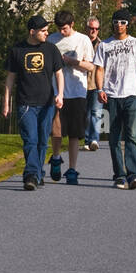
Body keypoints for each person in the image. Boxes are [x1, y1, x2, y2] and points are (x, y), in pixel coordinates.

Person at [4, 15, 64, 190]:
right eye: (43, 30)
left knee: (42, 141)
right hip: (26, 103)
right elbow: (10, 79)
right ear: (32, 32)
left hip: (47, 103)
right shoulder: (17, 50)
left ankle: (38, 173)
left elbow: (59, 73)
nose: (47, 33)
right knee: (30, 139)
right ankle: (31, 174)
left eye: (47, 30)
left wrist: (60, 94)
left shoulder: (51, 50)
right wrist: (6, 103)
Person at [93, 9, 136, 190]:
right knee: (113, 138)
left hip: (132, 95)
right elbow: (99, 69)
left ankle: (134, 175)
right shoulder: (104, 45)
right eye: (116, 22)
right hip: (111, 96)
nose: (119, 25)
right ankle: (119, 175)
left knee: (132, 136)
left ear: (128, 24)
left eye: (123, 22)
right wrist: (100, 89)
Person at [46, 11, 94, 184]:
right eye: (59, 29)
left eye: (65, 28)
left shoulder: (83, 40)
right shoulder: (51, 39)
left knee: (75, 132)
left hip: (77, 91)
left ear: (72, 24)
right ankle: (57, 157)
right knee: (56, 127)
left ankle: (72, 168)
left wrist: (74, 62)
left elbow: (91, 66)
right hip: (56, 90)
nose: (62, 32)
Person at [83, 17, 103, 151]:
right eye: (91, 28)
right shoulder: (81, 43)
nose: (94, 31)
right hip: (82, 84)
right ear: (87, 29)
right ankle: (86, 139)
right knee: (85, 114)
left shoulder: (103, 45)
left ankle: (94, 139)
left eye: (96, 29)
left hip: (97, 84)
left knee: (96, 112)